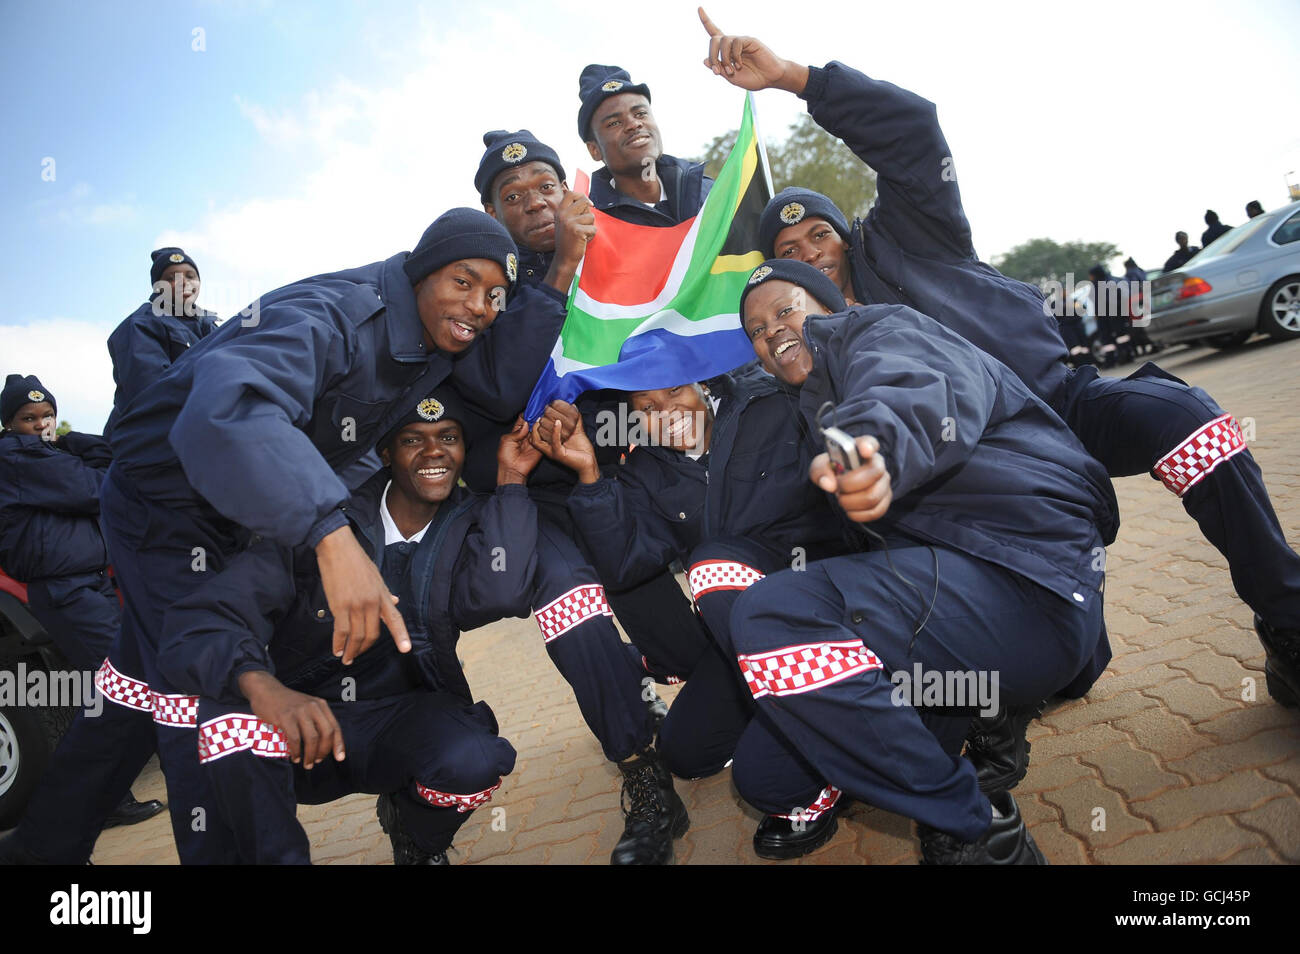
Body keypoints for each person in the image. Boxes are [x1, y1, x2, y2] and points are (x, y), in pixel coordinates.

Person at [699, 11, 1300, 715]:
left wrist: (795, 78)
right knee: (958, 589)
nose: (811, 255)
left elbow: (913, 134)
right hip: (971, 473)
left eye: (820, 234)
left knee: (1192, 422)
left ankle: (1287, 625)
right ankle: (1008, 701)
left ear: (847, 233)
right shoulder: (806, 353)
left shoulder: (906, 240)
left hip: (1057, 404)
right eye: (790, 255)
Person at [0, 208, 543, 865]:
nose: (480, 306)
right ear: (425, 269)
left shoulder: (426, 344)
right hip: (165, 510)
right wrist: (327, 532)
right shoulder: (329, 314)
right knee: (205, 697)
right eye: (464, 281)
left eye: (494, 296)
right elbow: (226, 411)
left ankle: (41, 848)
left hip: (245, 506)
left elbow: (353, 443)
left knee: (131, 693)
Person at [729, 258, 1117, 864]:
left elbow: (911, 390)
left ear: (831, 308)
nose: (771, 331)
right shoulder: (814, 410)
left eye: (785, 310)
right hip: (952, 620)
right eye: (755, 329)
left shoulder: (881, 331)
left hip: (1027, 587)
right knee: (766, 781)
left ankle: (975, 825)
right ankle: (969, 726)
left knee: (772, 619)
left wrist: (874, 449)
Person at [154, 391, 537, 864]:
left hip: (399, 716)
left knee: (474, 760)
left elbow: (503, 592)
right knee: (228, 725)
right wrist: (264, 688)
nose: (434, 451)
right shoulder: (321, 528)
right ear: (385, 453)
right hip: (299, 719)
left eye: (449, 438)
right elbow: (203, 621)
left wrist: (514, 480)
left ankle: (414, 836)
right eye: (413, 439)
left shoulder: (466, 522)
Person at [472, 129, 694, 864]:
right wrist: (563, 263)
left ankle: (683, 681)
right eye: (513, 197)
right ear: (491, 214)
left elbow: (661, 334)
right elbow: (501, 384)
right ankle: (644, 774)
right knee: (578, 622)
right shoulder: (485, 285)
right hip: (540, 499)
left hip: (615, 475)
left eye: (544, 186)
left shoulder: (615, 249)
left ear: (568, 190)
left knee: (674, 635)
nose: (534, 202)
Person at [533, 367, 853, 860]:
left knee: (714, 569)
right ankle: (777, 708)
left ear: (702, 384)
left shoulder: (772, 409)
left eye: (675, 390)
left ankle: (835, 738)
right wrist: (589, 473)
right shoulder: (646, 469)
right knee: (686, 752)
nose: (667, 411)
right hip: (745, 636)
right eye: (647, 406)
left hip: (832, 606)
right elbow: (622, 563)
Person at [0, 375, 164, 830]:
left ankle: (99, 801)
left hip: (89, 584)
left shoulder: (51, 453)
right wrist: (68, 452)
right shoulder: (12, 457)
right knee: (124, 686)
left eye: (47, 416)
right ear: (9, 425)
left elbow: (110, 456)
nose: (40, 425)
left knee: (104, 693)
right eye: (27, 418)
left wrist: (69, 441)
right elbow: (97, 488)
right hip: (64, 590)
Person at [577, 64, 712, 226]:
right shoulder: (591, 226)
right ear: (594, 149)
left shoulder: (708, 191)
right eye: (614, 123)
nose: (634, 124)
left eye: (640, 114)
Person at [105, 247, 218, 438]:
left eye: (190, 276)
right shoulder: (140, 324)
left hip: (200, 427)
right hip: (149, 441)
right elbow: (151, 393)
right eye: (171, 278)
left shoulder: (211, 326)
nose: (184, 282)